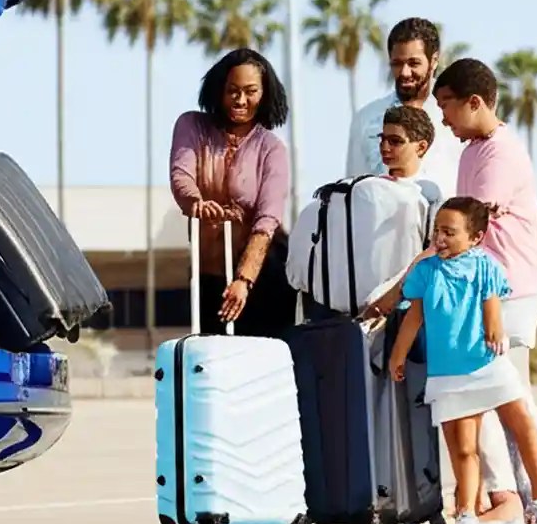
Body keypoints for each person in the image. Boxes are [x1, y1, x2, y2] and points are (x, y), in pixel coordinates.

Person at [432, 58, 537, 524]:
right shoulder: (471, 151)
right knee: (485, 401)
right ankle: (515, 505)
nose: (443, 118)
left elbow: (465, 232)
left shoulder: (501, 154)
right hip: (482, 294)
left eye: (447, 106)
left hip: (513, 291)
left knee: (513, 402)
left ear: (474, 102)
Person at [387, 197, 537, 524]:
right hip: (448, 375)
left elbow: (491, 301)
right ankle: (467, 515)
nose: (440, 238)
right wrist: (398, 355)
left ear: (475, 238)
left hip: (487, 364)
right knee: (464, 449)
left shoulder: (485, 266)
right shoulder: (426, 272)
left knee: (524, 424)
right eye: (437, 231)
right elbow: (414, 317)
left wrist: (495, 327)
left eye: (449, 232)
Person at [170, 48, 293, 337]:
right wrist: (196, 202)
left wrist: (244, 280)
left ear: (264, 94)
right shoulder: (191, 125)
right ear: (219, 90)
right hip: (208, 274)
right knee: (210, 352)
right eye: (232, 91)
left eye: (250, 91)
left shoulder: (272, 148)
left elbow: (267, 220)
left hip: (262, 277)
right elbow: (180, 174)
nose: (240, 100)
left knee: (258, 352)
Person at [291, 105, 443, 317]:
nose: (385, 147)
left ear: (421, 147)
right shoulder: (361, 191)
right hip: (343, 312)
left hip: (403, 310)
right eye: (382, 139)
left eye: (395, 141)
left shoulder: (429, 194)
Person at [346, 17, 463, 199]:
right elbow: (353, 191)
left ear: (434, 61)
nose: (404, 72)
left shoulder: (458, 116)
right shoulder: (367, 119)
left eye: (413, 63)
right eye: (397, 63)